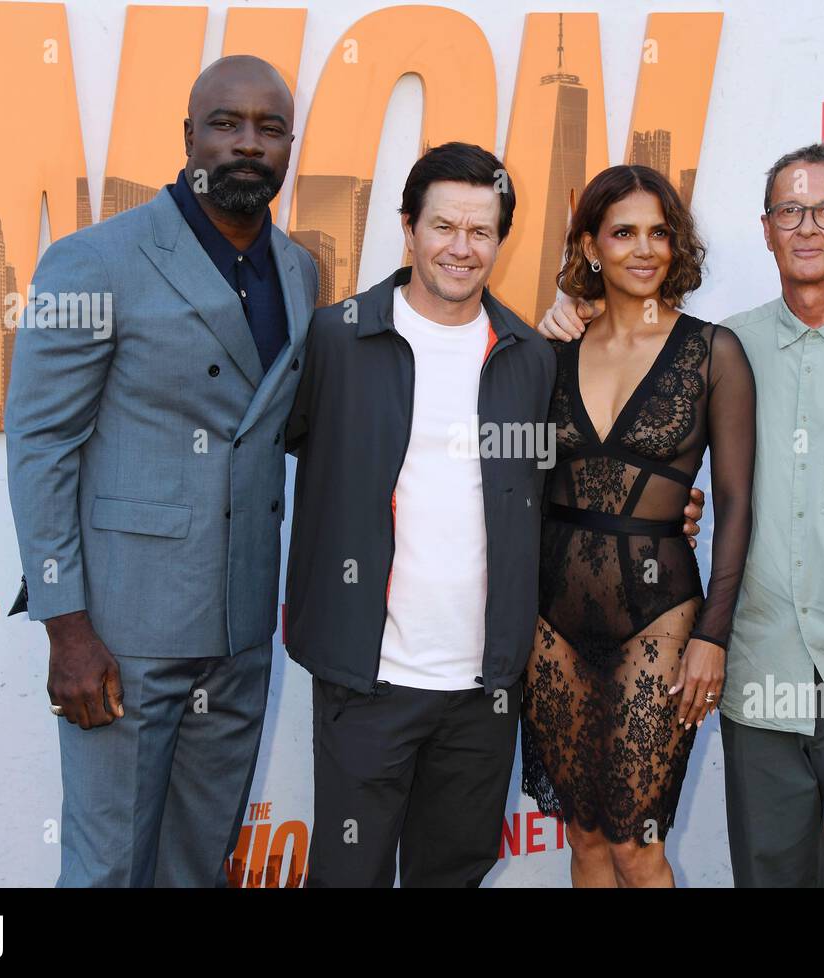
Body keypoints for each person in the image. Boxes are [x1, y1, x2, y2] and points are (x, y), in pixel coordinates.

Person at [538, 142, 824, 887]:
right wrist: (570, 308)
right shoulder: (725, 344)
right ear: (767, 228)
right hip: (763, 681)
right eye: (788, 211)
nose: (807, 228)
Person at [282, 144, 706, 887]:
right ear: (408, 226)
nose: (461, 247)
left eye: (481, 232)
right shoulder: (336, 338)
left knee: (452, 874)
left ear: (501, 241)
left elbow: (577, 479)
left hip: (487, 689)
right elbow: (278, 454)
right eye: (444, 226)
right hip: (365, 678)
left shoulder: (531, 356)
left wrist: (673, 508)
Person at [4, 56, 318, 887]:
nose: (247, 144)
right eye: (226, 124)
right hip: (121, 636)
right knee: (108, 868)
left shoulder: (299, 270)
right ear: (188, 138)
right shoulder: (94, 262)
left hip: (240, 631)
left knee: (197, 865)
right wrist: (66, 627)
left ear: (289, 144)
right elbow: (41, 446)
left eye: (269, 127)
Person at [520, 164, 755, 888]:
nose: (644, 248)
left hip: (659, 614)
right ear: (591, 246)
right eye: (623, 232)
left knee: (636, 847)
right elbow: (517, 478)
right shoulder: (552, 352)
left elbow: (740, 504)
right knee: (587, 840)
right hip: (550, 617)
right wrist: (538, 334)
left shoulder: (713, 352)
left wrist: (713, 637)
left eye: (659, 232)